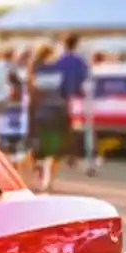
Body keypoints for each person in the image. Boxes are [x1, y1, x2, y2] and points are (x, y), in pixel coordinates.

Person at [27, 44, 68, 192]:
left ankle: (38, 179)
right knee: (54, 149)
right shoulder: (58, 71)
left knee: (38, 148)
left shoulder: (34, 70)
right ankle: (49, 181)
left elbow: (31, 94)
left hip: (39, 113)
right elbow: (65, 91)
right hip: (57, 112)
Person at [54, 33, 93, 175]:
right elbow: (86, 77)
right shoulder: (80, 62)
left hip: (61, 98)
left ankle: (63, 153)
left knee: (62, 127)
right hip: (77, 98)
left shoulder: (59, 61)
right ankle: (73, 154)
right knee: (77, 127)